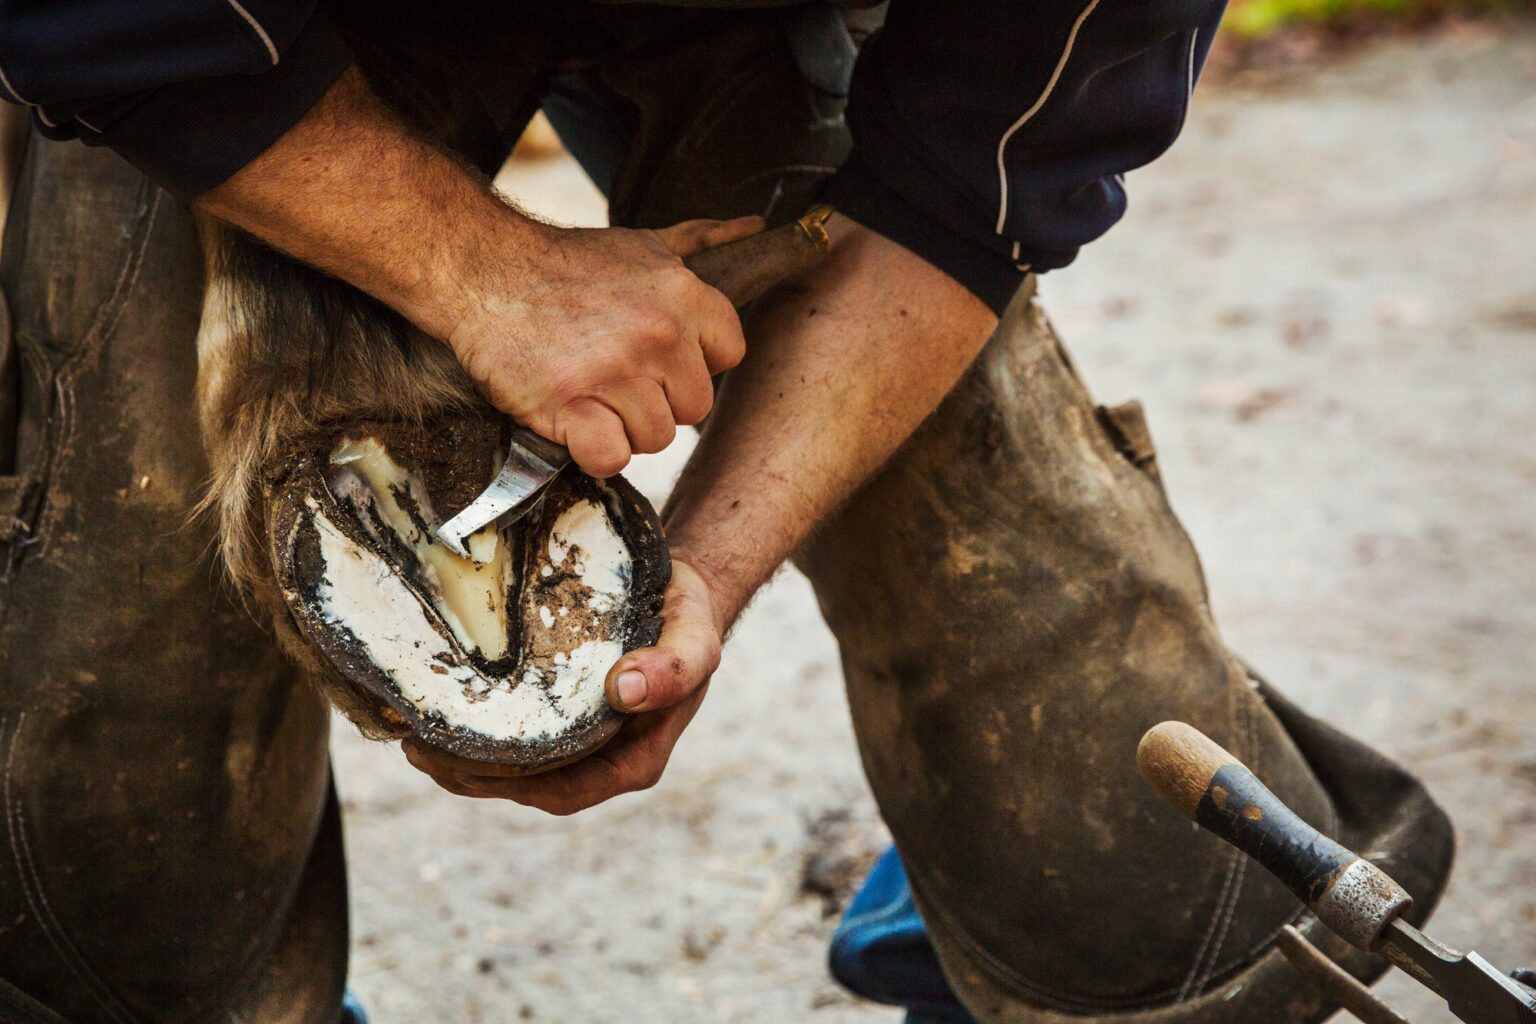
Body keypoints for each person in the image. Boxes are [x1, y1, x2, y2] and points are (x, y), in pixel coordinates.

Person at [0, 2, 1452, 1023]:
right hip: (253, 29)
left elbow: (972, 180)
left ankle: (1029, 945)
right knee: (124, 665)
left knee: (1034, 636)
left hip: (782, 14)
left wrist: (702, 568)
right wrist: (481, 275)